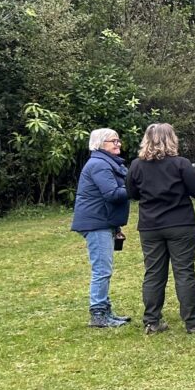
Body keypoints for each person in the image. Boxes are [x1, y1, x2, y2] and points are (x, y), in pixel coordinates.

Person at [127, 123, 195, 334]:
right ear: (172, 139)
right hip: (180, 223)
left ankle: (152, 321)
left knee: (153, 273)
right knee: (184, 273)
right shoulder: (181, 164)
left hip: (150, 226)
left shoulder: (137, 165)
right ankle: (192, 322)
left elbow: (132, 193)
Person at [72, 128, 131, 328]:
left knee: (104, 268)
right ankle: (98, 314)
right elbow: (113, 194)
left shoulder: (105, 163)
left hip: (103, 220)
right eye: (112, 141)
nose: (118, 144)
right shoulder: (99, 165)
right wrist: (135, 187)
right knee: (102, 270)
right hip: (96, 222)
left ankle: (106, 310)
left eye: (118, 140)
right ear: (99, 145)